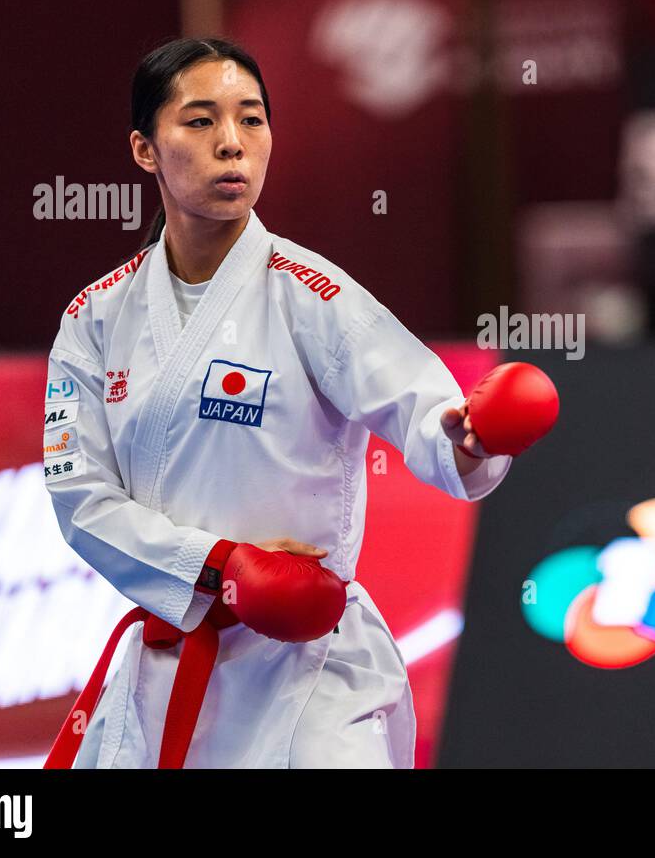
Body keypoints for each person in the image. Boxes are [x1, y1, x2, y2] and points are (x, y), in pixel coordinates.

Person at [44, 37, 516, 768]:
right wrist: (222, 565)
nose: (232, 143)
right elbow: (79, 495)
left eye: (251, 119)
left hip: (311, 666)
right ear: (145, 150)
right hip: (169, 659)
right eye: (200, 122)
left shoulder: (312, 293)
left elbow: (423, 409)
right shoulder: (95, 317)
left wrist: (467, 438)